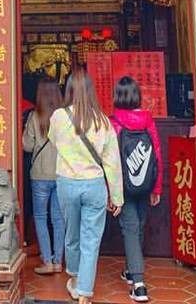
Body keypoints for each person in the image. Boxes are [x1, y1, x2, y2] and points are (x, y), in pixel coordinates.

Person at [48, 67, 123, 304]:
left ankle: (76, 277)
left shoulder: (59, 117)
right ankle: (84, 292)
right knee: (91, 239)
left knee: (72, 234)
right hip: (94, 185)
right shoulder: (103, 121)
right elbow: (112, 162)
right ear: (91, 92)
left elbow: (52, 139)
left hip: (67, 183)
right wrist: (117, 197)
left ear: (68, 90)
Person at [110, 76, 164, 303]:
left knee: (130, 229)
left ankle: (139, 284)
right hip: (144, 184)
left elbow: (110, 161)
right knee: (138, 225)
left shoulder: (113, 123)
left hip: (123, 186)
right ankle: (132, 270)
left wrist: (111, 193)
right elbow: (157, 155)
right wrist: (157, 188)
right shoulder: (148, 120)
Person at [23, 78, 65, 275]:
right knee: (58, 218)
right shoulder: (65, 116)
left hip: (39, 174)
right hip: (60, 173)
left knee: (40, 217)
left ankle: (46, 261)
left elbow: (27, 146)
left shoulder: (34, 116)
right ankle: (58, 261)